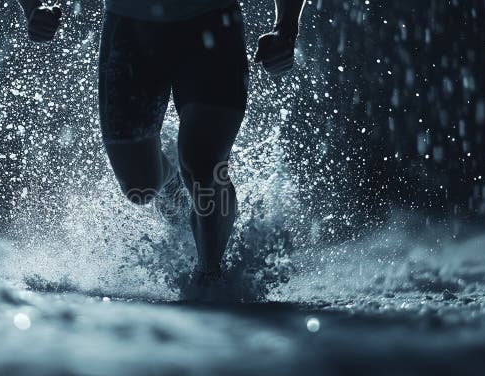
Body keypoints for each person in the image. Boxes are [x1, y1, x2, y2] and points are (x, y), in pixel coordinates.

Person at [18, 0, 305, 297]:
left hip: (212, 21)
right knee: (139, 187)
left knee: (204, 165)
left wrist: (285, 29)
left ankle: (210, 275)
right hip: (131, 27)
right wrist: (33, 8)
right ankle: (173, 182)